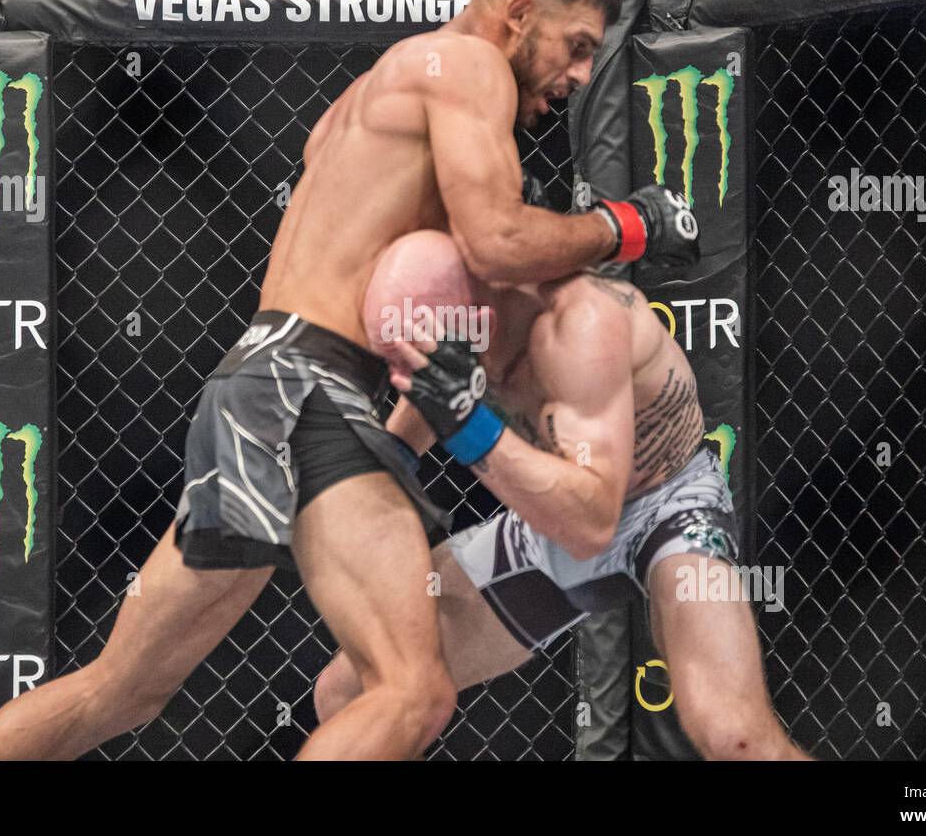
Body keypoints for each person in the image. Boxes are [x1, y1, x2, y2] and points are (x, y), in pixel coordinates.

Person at [0, 0, 699, 761]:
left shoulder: (369, 97)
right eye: (575, 46)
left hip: (255, 380)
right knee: (412, 690)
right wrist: (625, 224)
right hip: (310, 386)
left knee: (118, 688)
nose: (578, 75)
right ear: (519, 11)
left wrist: (403, 444)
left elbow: (439, 310)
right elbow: (496, 240)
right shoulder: (465, 67)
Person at [314, 230, 809, 760]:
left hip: (665, 507)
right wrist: (376, 471)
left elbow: (591, 520)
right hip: (549, 513)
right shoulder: (458, 317)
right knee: (353, 695)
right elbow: (432, 393)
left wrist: (467, 423)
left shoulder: (582, 326)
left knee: (735, 736)